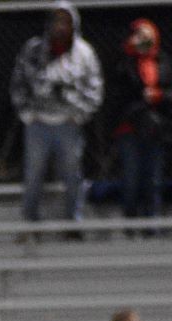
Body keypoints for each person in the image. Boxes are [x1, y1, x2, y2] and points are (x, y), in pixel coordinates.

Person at [13, 4, 105, 223]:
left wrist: (80, 114)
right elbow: (18, 82)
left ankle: (73, 222)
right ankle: (30, 222)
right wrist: (26, 114)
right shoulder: (34, 49)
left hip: (68, 124)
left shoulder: (84, 53)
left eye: (66, 22)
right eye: (57, 21)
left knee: (72, 175)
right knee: (33, 175)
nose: (61, 26)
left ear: (74, 24)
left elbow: (95, 86)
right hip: (38, 123)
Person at [107, 18, 169, 218]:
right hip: (129, 126)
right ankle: (130, 222)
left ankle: (152, 223)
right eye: (139, 35)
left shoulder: (164, 62)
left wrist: (159, 96)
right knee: (131, 177)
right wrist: (128, 52)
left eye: (147, 35)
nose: (143, 39)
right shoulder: (124, 62)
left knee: (153, 177)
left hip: (155, 127)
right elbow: (115, 90)